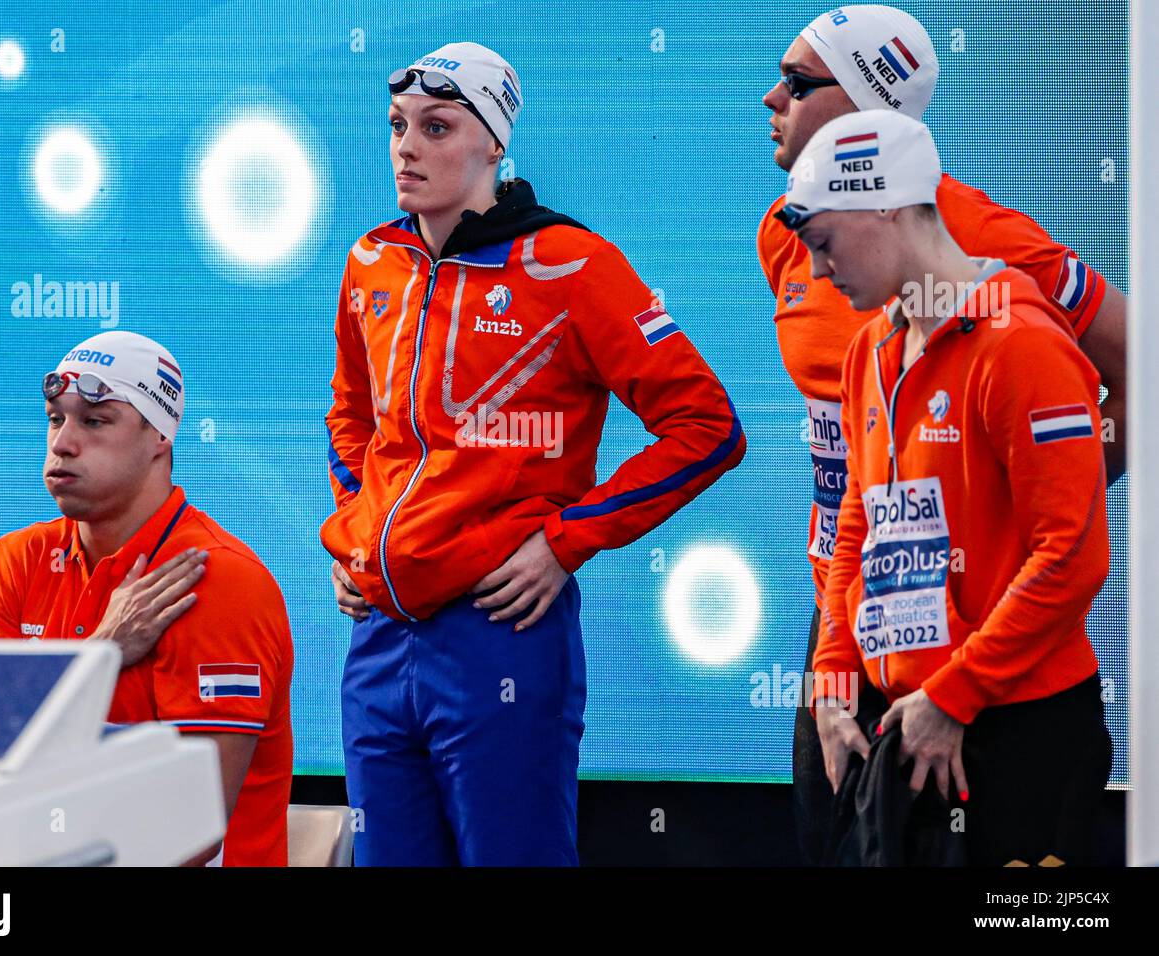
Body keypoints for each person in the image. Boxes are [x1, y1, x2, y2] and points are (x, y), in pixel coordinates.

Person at [323, 41, 746, 865]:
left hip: (498, 633)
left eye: (436, 127)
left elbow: (708, 427)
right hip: (377, 636)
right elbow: (352, 416)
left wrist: (567, 539)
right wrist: (357, 525)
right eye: (398, 126)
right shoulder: (373, 261)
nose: (407, 147)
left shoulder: (571, 266)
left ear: (493, 143)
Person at [757, 3, 1127, 864]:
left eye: (799, 81)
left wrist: (1007, 522)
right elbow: (858, 508)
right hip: (869, 646)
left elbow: (1069, 547)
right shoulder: (871, 336)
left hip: (1001, 674)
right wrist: (837, 670)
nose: (814, 267)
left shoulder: (1007, 306)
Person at [0, 330, 294, 867]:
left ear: (159, 436)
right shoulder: (18, 561)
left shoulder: (218, 580)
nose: (62, 442)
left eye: (94, 421)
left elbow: (190, 831)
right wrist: (100, 657)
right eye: (55, 418)